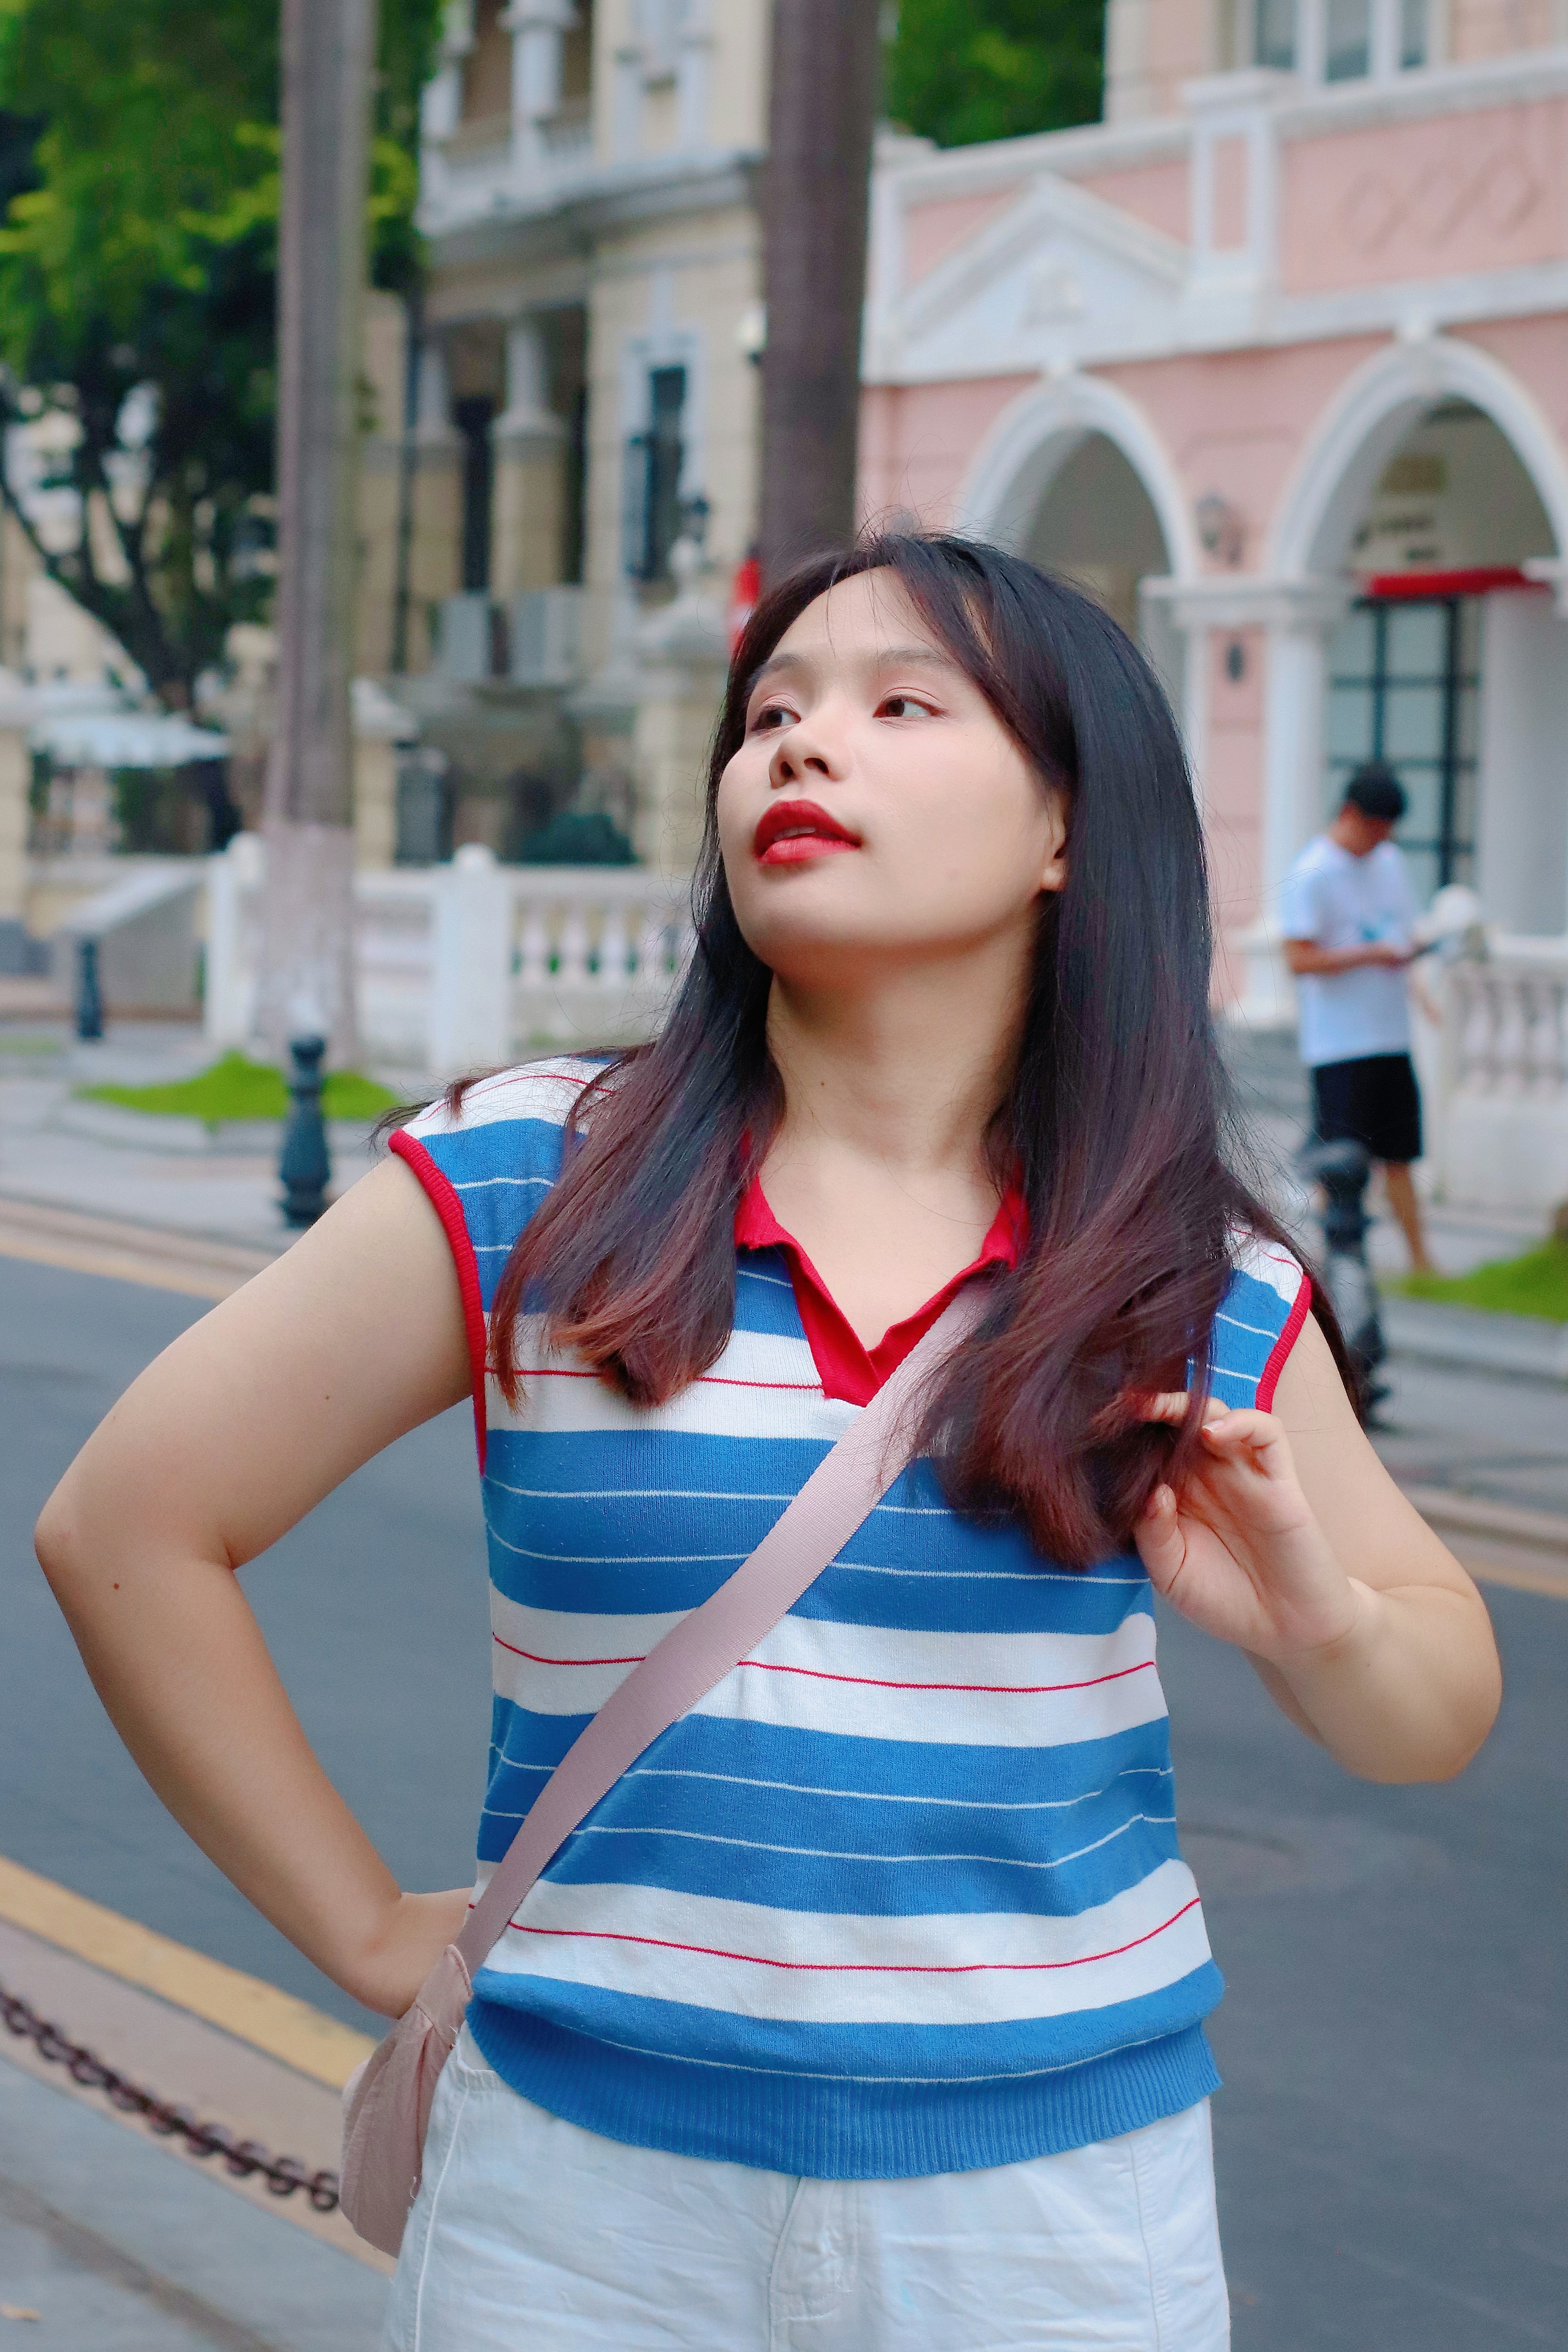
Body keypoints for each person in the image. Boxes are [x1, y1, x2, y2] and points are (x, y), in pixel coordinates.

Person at [36, 537, 1500, 2352]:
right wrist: (352, 1928)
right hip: (573, 2218)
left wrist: (1316, 1623)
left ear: (1064, 826)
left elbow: (1434, 1701)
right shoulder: (531, 1181)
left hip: (1046, 2231)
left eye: (897, 704)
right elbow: (126, 1525)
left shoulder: (1179, 1274)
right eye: (770, 714)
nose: (797, 750)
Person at [1280, 763, 1434, 1271]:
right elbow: (1298, 959)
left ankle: (1419, 1260)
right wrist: (1367, 955)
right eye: (1375, 827)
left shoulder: (1388, 862)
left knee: (1399, 1156)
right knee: (1340, 1164)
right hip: (1338, 1043)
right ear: (1349, 814)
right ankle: (1335, 1264)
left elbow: (1400, 933)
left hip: (1389, 1035)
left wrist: (1414, 980)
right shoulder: (1312, 872)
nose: (1381, 839)